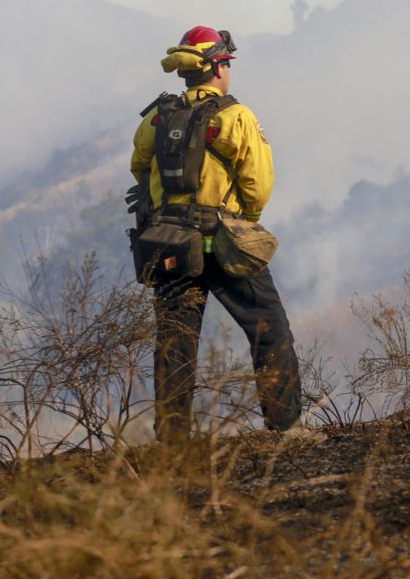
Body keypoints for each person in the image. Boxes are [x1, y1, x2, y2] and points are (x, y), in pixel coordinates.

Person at [129, 25, 301, 442]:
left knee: (175, 341)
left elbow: (139, 169)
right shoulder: (235, 117)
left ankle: (172, 438)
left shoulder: (156, 117)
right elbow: (258, 184)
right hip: (225, 246)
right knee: (269, 328)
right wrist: (246, 220)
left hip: (168, 246)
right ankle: (285, 429)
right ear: (219, 66)